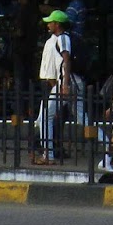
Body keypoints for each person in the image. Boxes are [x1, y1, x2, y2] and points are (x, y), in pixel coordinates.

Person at [32, 8, 73, 165]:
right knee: (43, 118)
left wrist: (63, 85)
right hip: (51, 84)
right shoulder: (52, 40)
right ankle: (45, 150)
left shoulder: (61, 40)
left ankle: (48, 154)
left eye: (51, 22)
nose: (48, 24)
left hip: (56, 84)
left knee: (47, 118)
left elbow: (63, 62)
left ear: (57, 24)